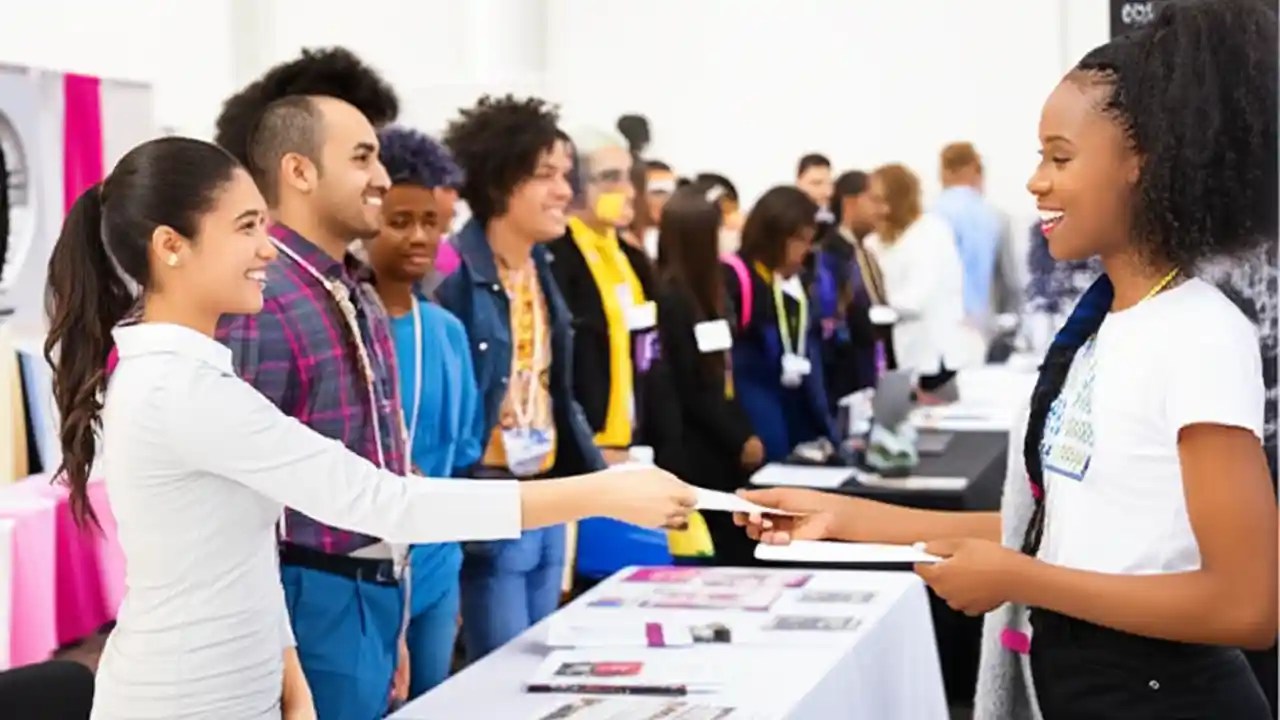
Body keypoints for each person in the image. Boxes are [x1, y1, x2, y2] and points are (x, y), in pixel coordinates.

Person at [738, 1, 1278, 716]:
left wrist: (1021, 579)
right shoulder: (1111, 328)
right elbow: (1067, 533)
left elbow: (1247, 604)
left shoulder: (1198, 333)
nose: (1035, 182)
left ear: (1142, 165)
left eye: (1060, 156)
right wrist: (846, 518)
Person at [42, 137, 695, 720]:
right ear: (170, 246)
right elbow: (384, 501)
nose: (266, 247)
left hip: (236, 681)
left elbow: (239, 546)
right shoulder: (179, 391)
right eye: (246, 228)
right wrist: (605, 492)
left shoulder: (191, 376)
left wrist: (286, 663)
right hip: (185, 696)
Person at [215, 50, 413, 717]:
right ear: (298, 170)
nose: (383, 178)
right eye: (362, 158)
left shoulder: (346, 286)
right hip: (307, 596)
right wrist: (277, 650)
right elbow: (233, 497)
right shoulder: (260, 296)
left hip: (369, 585)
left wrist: (394, 601)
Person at [439, 96, 646, 662]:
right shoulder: (452, 278)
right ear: (501, 182)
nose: (565, 191)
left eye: (566, 174)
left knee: (545, 668)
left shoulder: (541, 268)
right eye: (546, 176)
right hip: (491, 496)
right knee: (503, 674)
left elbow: (558, 389)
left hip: (548, 488)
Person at [359, 124, 477, 700]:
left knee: (432, 698)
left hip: (435, 555)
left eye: (431, 223)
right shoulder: (348, 326)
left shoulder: (447, 332)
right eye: (399, 221)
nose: (418, 236)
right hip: (363, 557)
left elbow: (463, 445)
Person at [653, 185, 764, 565]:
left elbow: (721, 373)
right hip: (697, 449)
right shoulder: (671, 299)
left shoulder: (712, 292)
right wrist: (738, 437)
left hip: (722, 442)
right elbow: (692, 384)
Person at [722, 185, 833, 463]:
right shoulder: (736, 278)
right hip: (752, 407)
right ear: (774, 234)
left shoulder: (797, 282)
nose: (806, 252)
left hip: (793, 406)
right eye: (800, 241)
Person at [863, 164, 968, 395]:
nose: (876, 209)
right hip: (896, 358)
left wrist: (872, 308)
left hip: (931, 358)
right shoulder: (873, 241)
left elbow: (915, 299)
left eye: (881, 200)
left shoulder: (931, 232)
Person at [812, 170, 894, 406]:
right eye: (875, 201)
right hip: (845, 383)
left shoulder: (866, 254)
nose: (884, 210)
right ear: (850, 202)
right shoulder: (830, 256)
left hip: (874, 374)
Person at [933, 142, 1004, 330]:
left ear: (945, 170)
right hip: (980, 319)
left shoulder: (934, 214)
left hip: (941, 320)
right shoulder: (993, 216)